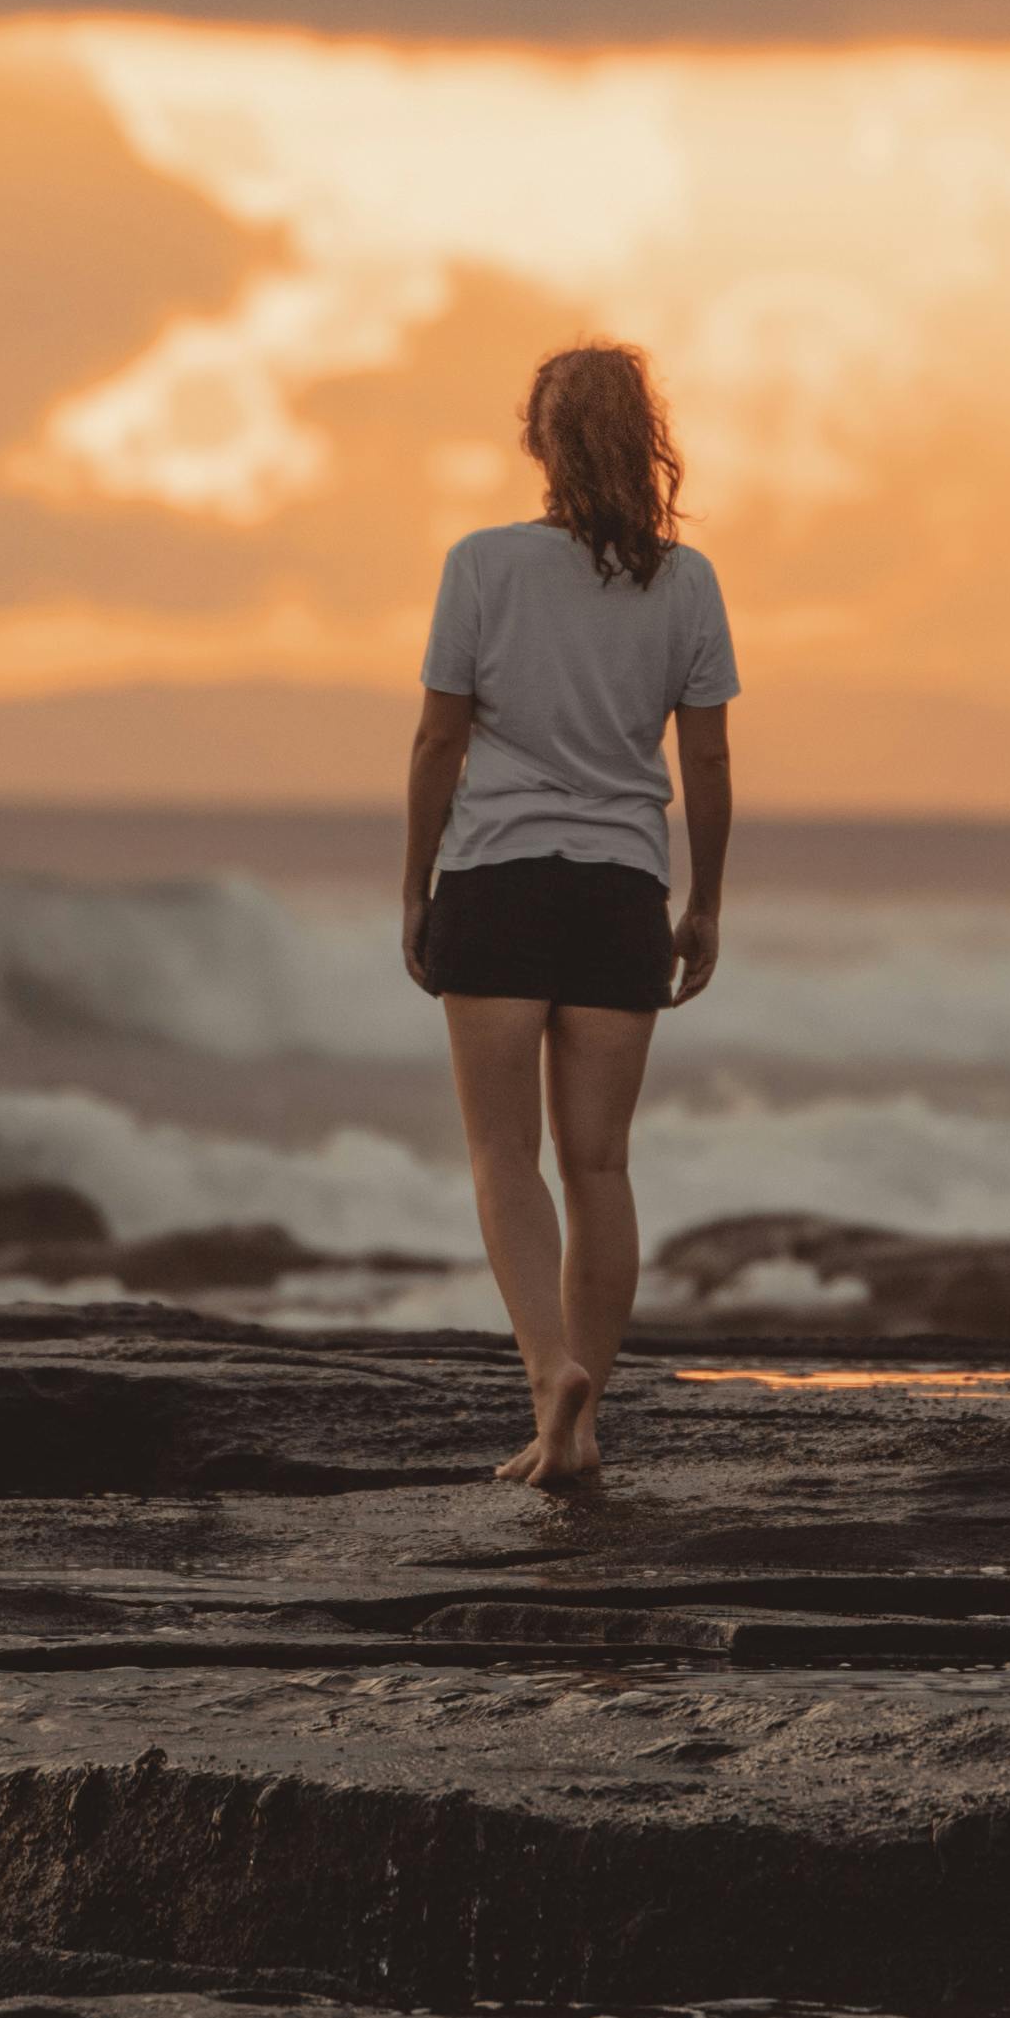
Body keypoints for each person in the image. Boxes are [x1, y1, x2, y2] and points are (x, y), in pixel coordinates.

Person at [403, 340, 734, 1485]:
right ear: (644, 437)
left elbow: (441, 739)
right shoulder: (684, 581)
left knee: (506, 1155)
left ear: (540, 442)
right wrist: (706, 902)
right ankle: (582, 1421)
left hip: (497, 878)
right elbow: (709, 758)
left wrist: (416, 883)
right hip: (619, 890)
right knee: (600, 1165)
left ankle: (551, 1376)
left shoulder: (483, 564)